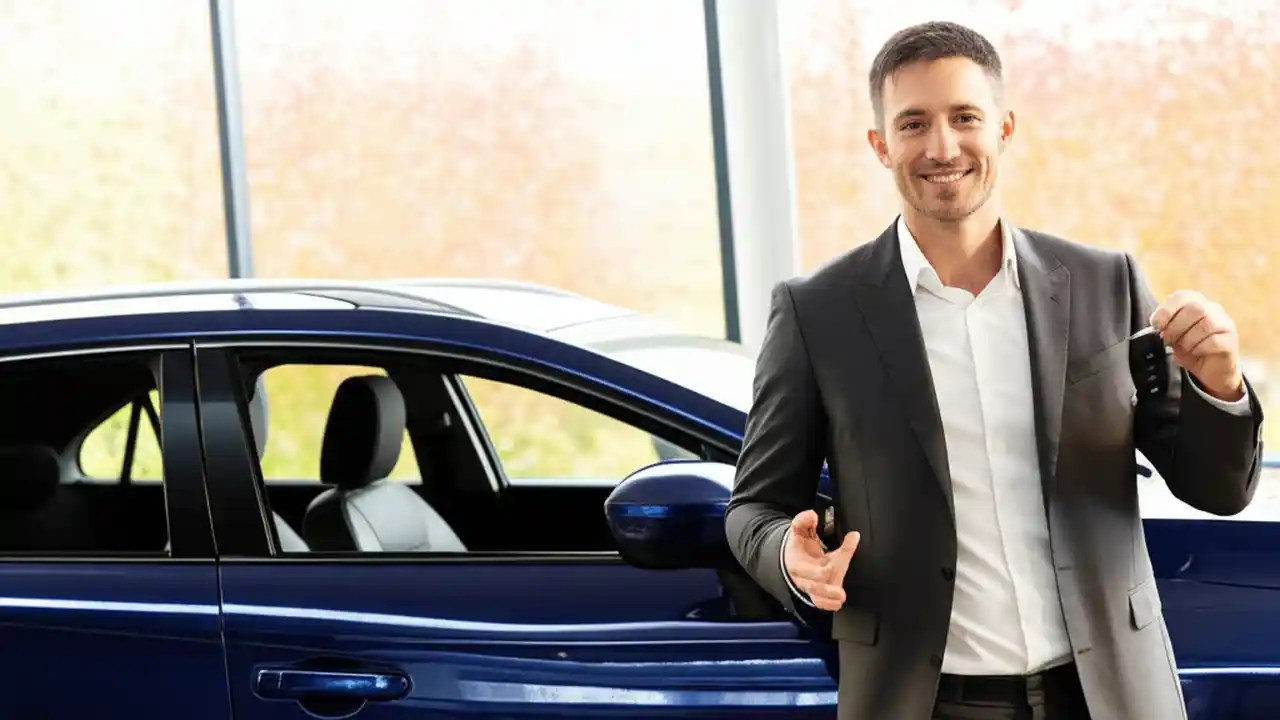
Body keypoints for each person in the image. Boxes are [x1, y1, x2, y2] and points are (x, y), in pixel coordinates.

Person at [724, 20, 1264, 720]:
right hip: (925, 701)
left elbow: (1217, 489)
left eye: (964, 117)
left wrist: (1218, 384)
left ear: (1004, 128)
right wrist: (788, 559)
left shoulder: (1105, 283)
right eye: (913, 123)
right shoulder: (816, 312)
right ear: (880, 144)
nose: (942, 146)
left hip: (1110, 697)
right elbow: (753, 508)